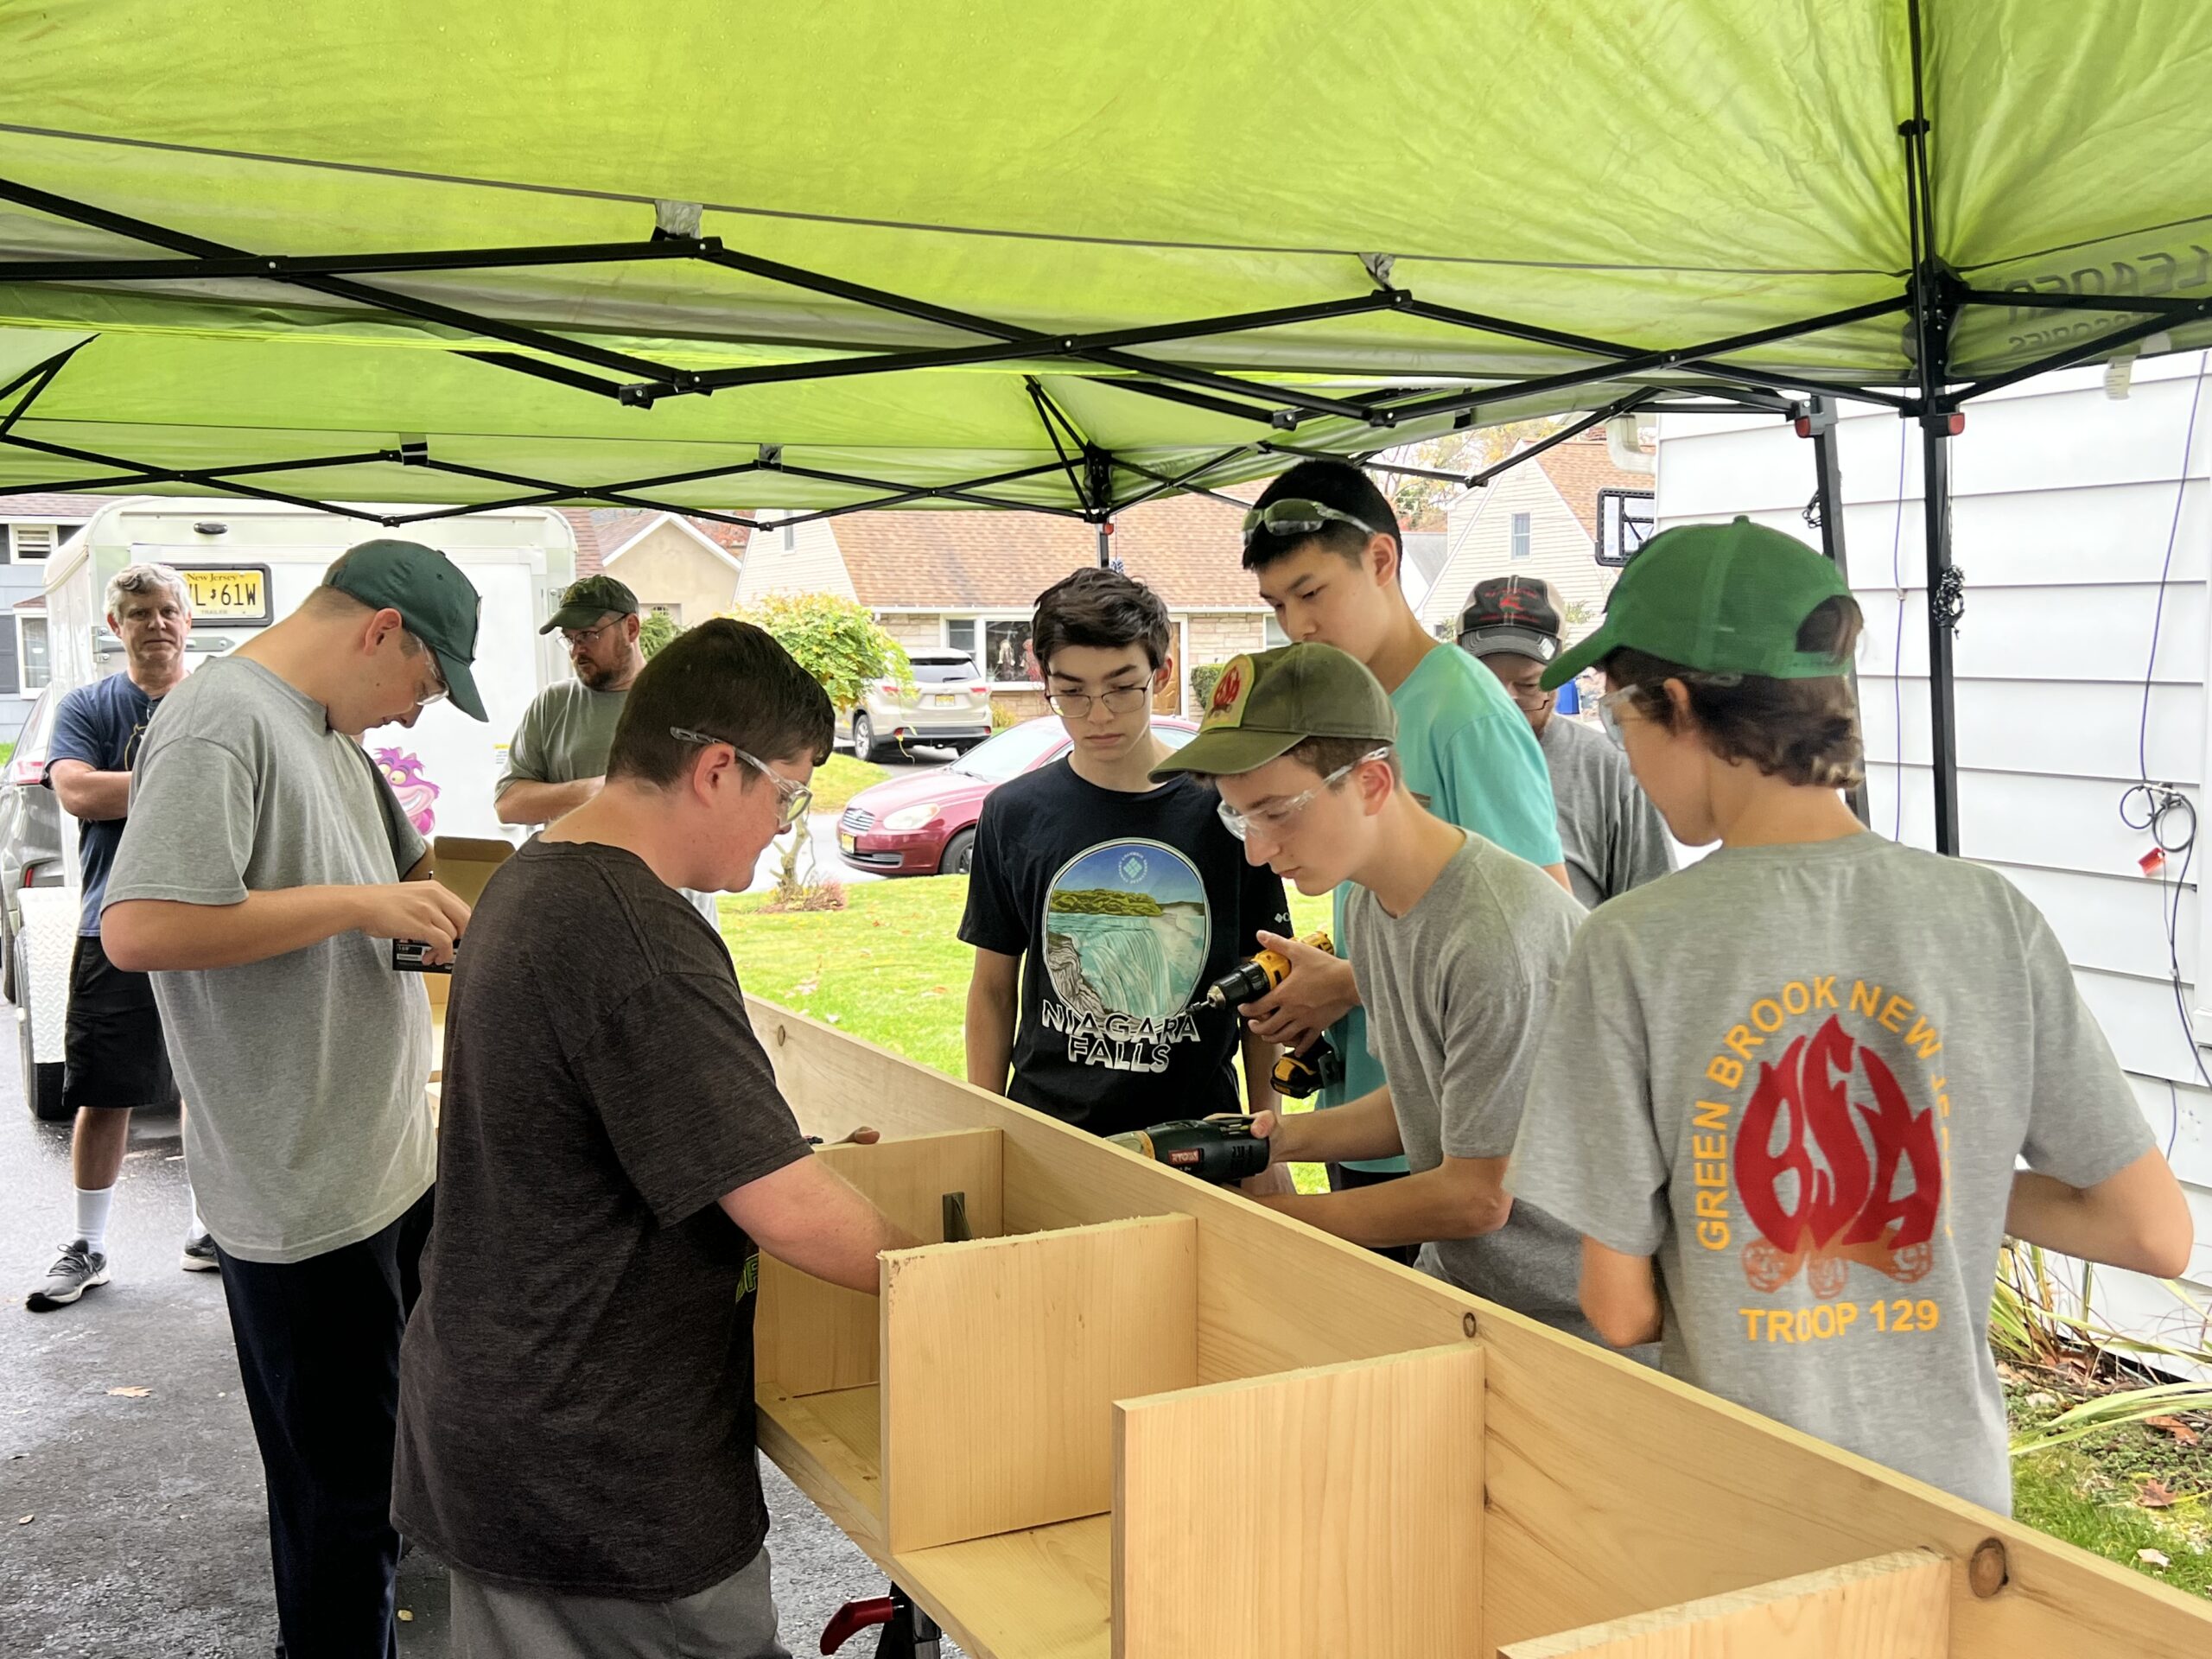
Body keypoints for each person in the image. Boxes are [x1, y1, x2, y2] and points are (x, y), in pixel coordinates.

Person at [1505, 518, 2196, 1513]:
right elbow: (2151, 1233)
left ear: (1682, 704)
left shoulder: (1632, 944)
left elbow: (1616, 1311)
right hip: (1959, 1508)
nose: (1624, 754)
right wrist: (1927, 1182)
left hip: (1746, 1506)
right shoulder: (1990, 917)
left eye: (1620, 718)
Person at [394, 619, 915, 1659]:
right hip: (599, 1476)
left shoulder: (539, 877)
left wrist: (787, 1146)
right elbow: (787, 1212)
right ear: (720, 768)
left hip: (504, 1424)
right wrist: (973, 1276)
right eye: (790, 791)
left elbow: (605, 1123)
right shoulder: (640, 938)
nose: (784, 825)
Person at [102, 538, 483, 1658]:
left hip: (384, 1165)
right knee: (337, 1509)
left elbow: (408, 887)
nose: (415, 718)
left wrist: (436, 924)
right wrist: (359, 910)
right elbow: (143, 927)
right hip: (298, 1196)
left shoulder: (332, 738)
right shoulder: (222, 717)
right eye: (423, 687)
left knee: (391, 1475)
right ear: (378, 631)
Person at [1152, 642, 1595, 1336]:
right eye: (1240, 818)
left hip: (1577, 1319)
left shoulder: (1494, 935)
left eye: (1277, 812)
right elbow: (1423, 1099)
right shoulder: (1370, 902)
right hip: (1469, 1284)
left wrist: (1276, 1222)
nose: (1257, 851)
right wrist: (1275, 1143)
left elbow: (1480, 1199)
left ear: (1372, 784)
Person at [1235, 460, 1567, 1240]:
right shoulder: (1348, 706)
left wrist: (1344, 985)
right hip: (1391, 1110)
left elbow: (1536, 926)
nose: (1297, 626)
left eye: (1312, 593)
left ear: (1383, 561)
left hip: (1469, 1160)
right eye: (1277, 604)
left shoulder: (1462, 711)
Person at [963, 567, 1291, 1138]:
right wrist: (984, 1127)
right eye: (1071, 692)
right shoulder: (1012, 814)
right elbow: (993, 987)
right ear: (1047, 682)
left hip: (1200, 1136)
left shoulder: (1224, 807)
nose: (1098, 714)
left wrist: (1266, 1133)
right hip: (1050, 1130)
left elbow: (1263, 979)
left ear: (1160, 674)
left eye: (1121, 687)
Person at [25, 563, 209, 1312]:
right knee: (106, 1094)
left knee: (212, 1084)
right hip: (119, 921)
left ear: (187, 622)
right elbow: (75, 790)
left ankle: (209, 1232)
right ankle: (90, 1246)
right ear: (116, 627)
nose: (156, 623)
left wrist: (127, 789)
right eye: (139, 613)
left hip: (215, 920)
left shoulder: (215, 701)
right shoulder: (91, 705)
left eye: (168, 610)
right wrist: (188, 781)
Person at [499, 573, 719, 923]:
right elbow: (509, 805)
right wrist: (597, 791)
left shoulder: (687, 703)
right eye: (569, 639)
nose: (577, 650)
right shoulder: (552, 704)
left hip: (671, 915)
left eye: (588, 635)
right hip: (574, 914)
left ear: (631, 628)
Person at [1459, 575, 1673, 907]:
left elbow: (1653, 909)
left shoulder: (1608, 767)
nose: (1503, 706)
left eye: (1528, 687)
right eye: (1484, 683)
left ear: (1561, 673)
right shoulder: (1428, 750)